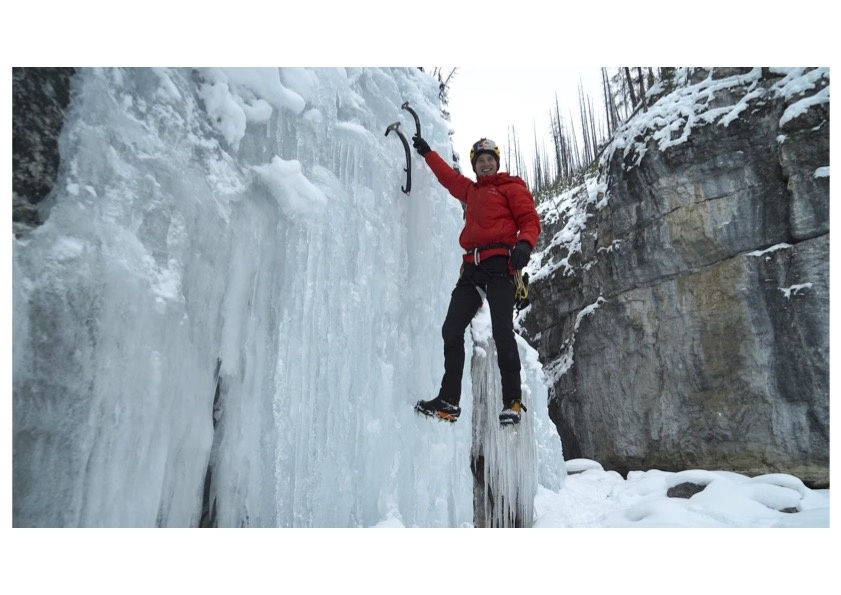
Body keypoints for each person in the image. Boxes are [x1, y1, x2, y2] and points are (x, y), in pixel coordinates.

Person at [412, 136, 541, 425]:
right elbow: (448, 178)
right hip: (472, 268)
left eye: (490, 160)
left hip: (501, 266)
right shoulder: (469, 191)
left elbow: (529, 219)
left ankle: (513, 402)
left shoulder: (510, 187)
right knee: (451, 329)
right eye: (480, 161)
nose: (485, 164)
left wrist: (525, 244)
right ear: (475, 166)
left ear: (497, 163)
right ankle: (449, 400)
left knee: (502, 332)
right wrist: (428, 153)